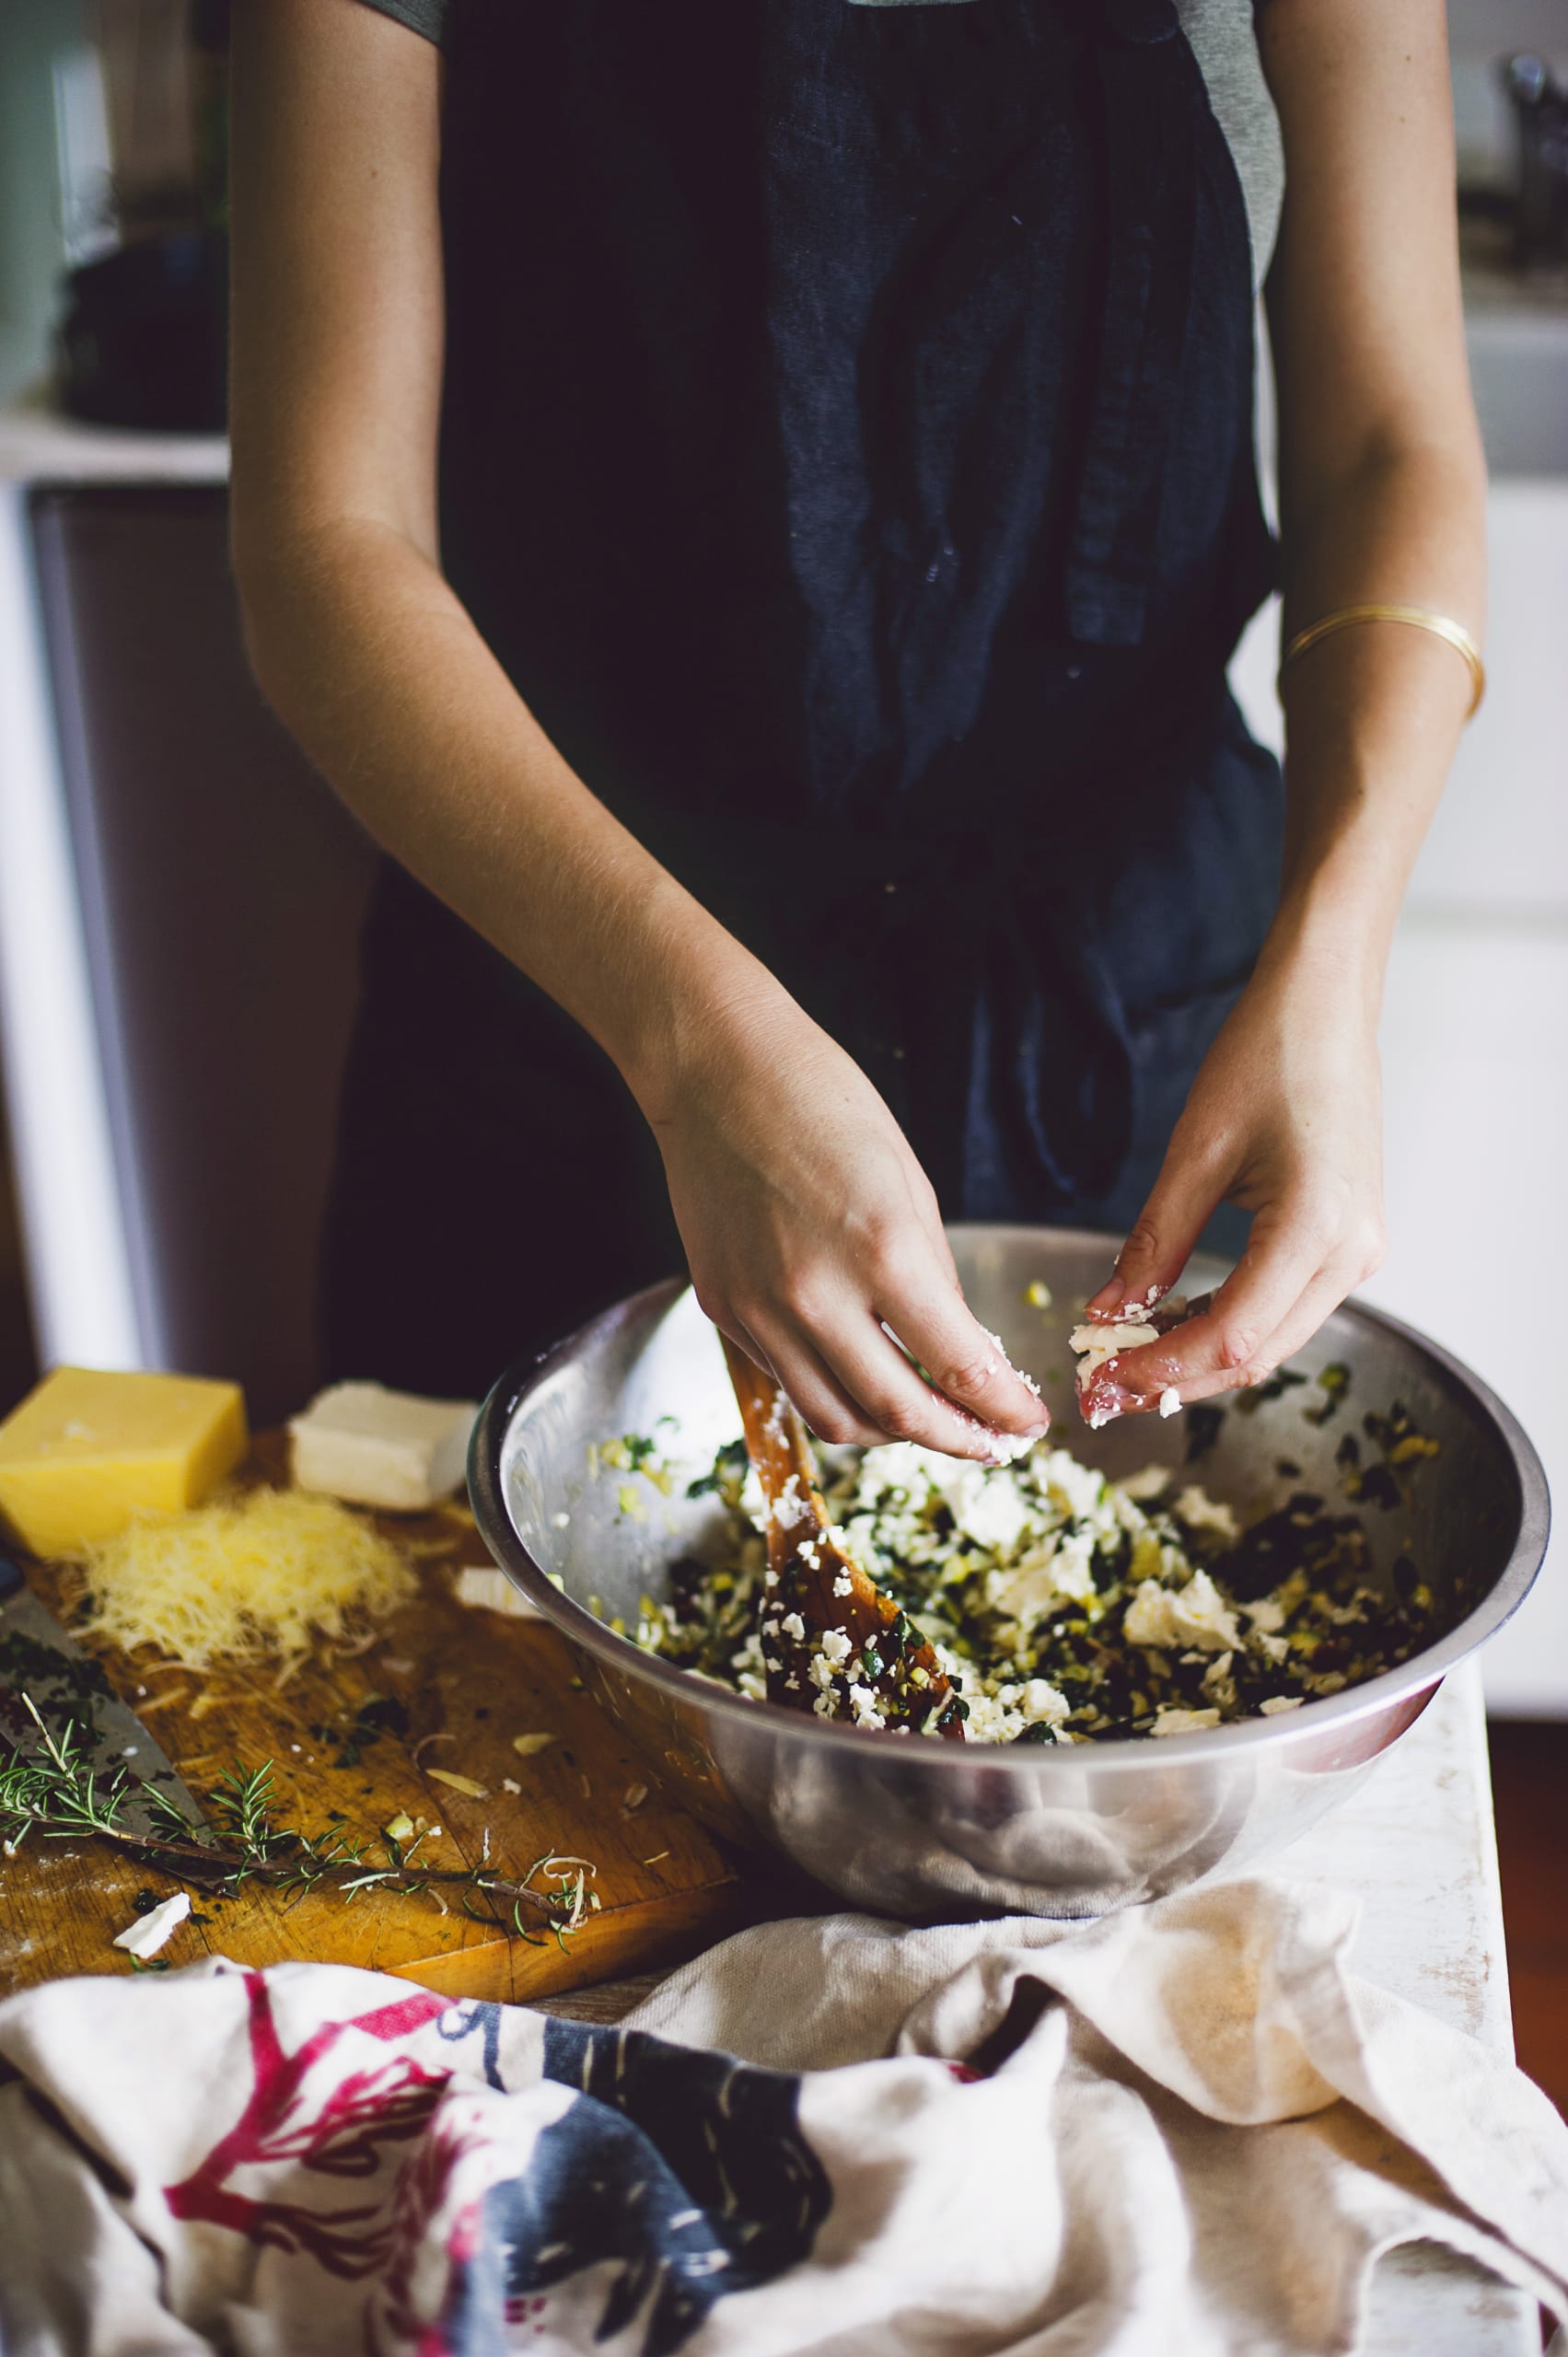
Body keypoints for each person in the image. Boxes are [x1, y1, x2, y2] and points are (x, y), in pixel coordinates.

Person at [229, 0, 1484, 1454]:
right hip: (573, 994)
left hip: (1124, 1015)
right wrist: (691, 1042)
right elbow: (330, 541)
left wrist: (1333, 967)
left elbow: (1391, 450)